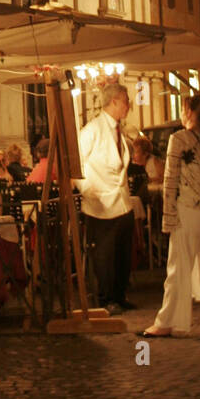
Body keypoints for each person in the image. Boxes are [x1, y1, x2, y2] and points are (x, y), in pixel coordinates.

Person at [143, 94, 200, 339]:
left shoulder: (179, 139)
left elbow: (170, 180)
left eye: (183, 109)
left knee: (179, 267)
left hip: (188, 208)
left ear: (189, 112)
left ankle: (169, 321)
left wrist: (168, 215)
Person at [75, 82, 134, 314]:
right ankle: (106, 297)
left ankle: (119, 294)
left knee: (122, 252)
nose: (129, 106)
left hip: (122, 200)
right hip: (99, 202)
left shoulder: (119, 130)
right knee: (104, 253)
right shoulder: (92, 130)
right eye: (126, 101)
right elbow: (77, 165)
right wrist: (89, 191)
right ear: (115, 101)